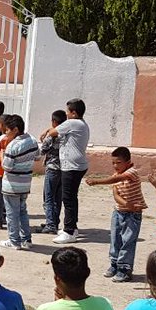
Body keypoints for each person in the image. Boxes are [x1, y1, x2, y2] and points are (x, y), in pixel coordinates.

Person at [87, 146, 147, 283]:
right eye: (113, 163)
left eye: (118, 163)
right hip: (119, 212)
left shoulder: (132, 172)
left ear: (128, 162)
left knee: (128, 241)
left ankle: (125, 269)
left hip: (132, 215)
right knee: (115, 240)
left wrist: (96, 181)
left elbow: (117, 179)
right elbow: (116, 195)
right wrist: (126, 204)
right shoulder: (116, 175)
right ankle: (114, 264)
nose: (115, 166)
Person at [51, 99, 91, 245]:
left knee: (68, 199)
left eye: (68, 111)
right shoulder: (80, 124)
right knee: (71, 198)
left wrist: (46, 132)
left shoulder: (73, 123)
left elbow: (53, 132)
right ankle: (72, 227)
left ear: (74, 113)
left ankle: (69, 231)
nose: (66, 114)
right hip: (76, 165)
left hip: (72, 167)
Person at [0, 114, 39, 250]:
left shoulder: (13, 145)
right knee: (22, 211)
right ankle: (26, 239)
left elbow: (7, 166)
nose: (5, 133)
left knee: (11, 214)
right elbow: (38, 157)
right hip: (25, 183)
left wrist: (1, 156)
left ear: (15, 129)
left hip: (12, 185)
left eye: (7, 130)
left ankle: (14, 241)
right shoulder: (32, 140)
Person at [37, 109, 67, 235]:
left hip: (52, 168)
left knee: (48, 197)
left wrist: (44, 137)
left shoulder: (52, 137)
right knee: (57, 198)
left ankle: (50, 224)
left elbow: (42, 151)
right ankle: (54, 221)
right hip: (63, 168)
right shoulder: (66, 134)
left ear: (54, 122)